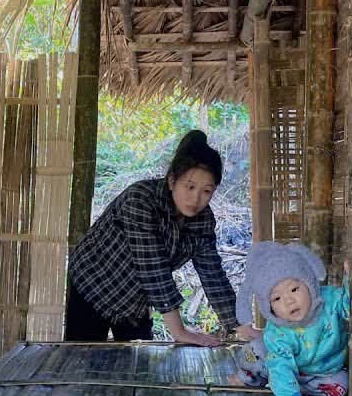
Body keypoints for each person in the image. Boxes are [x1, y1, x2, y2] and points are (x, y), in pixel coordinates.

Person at [65, 130, 237, 346]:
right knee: (81, 360)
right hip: (93, 284)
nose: (196, 198)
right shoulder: (140, 200)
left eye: (206, 191)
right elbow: (153, 269)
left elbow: (213, 275)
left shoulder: (203, 221)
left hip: (135, 301)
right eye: (190, 187)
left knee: (138, 368)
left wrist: (239, 327)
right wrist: (180, 332)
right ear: (172, 180)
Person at [230, 242, 350, 396]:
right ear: (268, 307)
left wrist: (351, 279)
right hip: (283, 365)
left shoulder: (330, 300)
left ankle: (294, 386)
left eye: (294, 289)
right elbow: (280, 364)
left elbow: (351, 306)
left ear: (309, 283)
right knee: (255, 351)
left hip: (321, 372)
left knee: (341, 387)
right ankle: (249, 379)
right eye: (277, 298)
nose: (289, 301)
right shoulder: (277, 332)